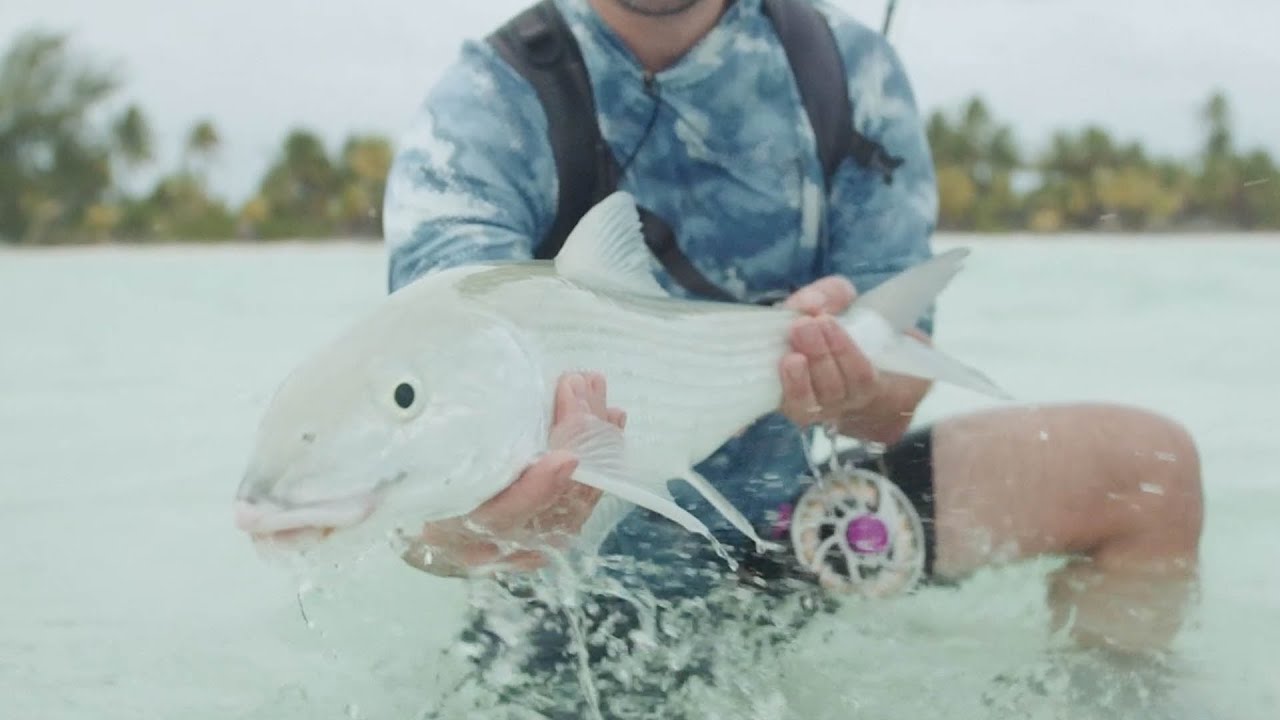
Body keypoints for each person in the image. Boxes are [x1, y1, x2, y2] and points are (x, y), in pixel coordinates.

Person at [381, 0, 1204, 715]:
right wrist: (469, 530)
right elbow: (434, 350)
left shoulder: (846, 68)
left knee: (1147, 471)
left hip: (793, 533)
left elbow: (894, 395)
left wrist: (854, 376)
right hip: (576, 583)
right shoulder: (488, 102)